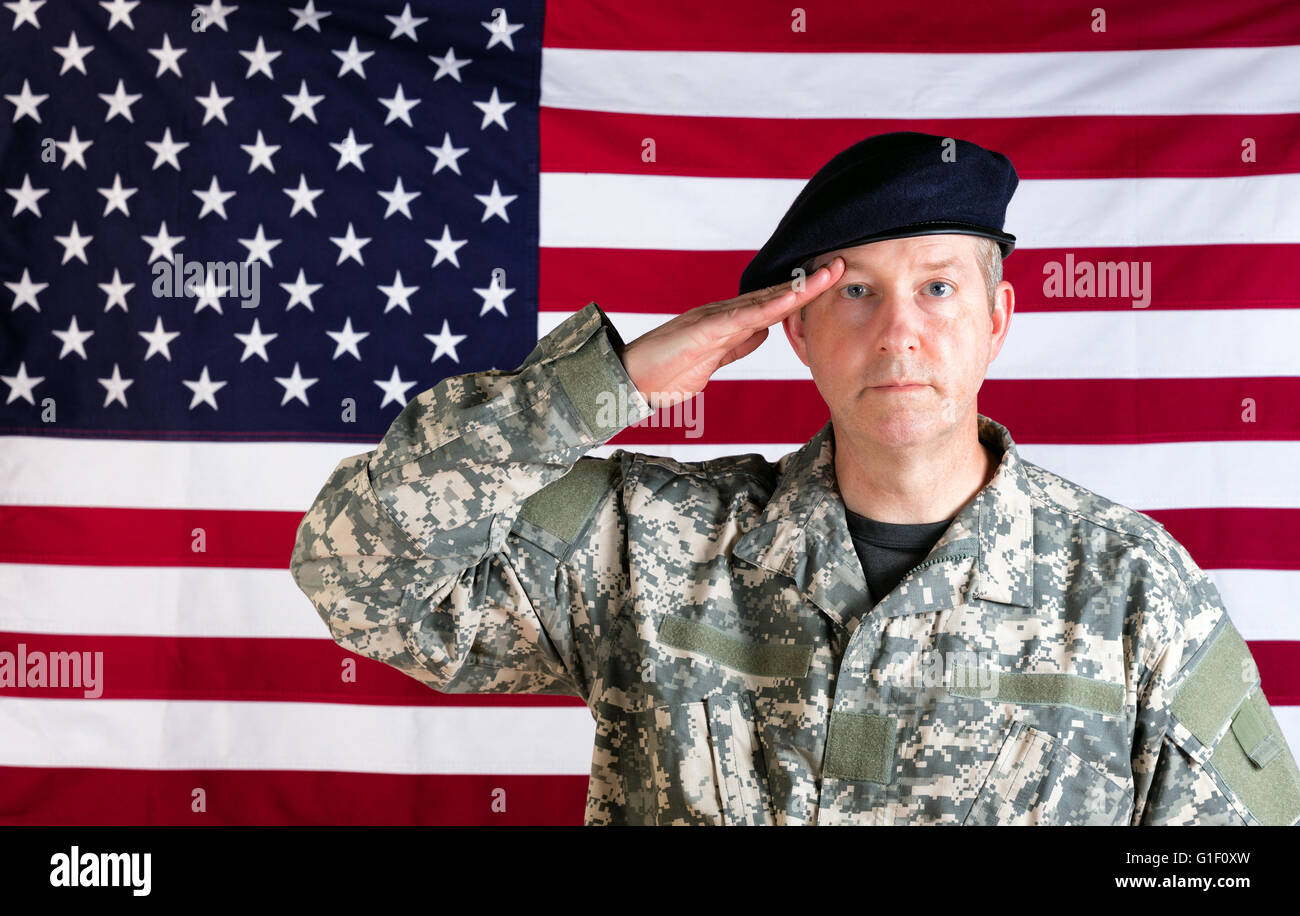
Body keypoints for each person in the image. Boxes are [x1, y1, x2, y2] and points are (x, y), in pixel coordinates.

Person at [289, 131, 1300, 825]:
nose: (899, 330)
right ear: (797, 332)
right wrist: (608, 382)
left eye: (938, 287)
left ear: (997, 319)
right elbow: (361, 577)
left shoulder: (1133, 590)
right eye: (853, 291)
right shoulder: (651, 545)